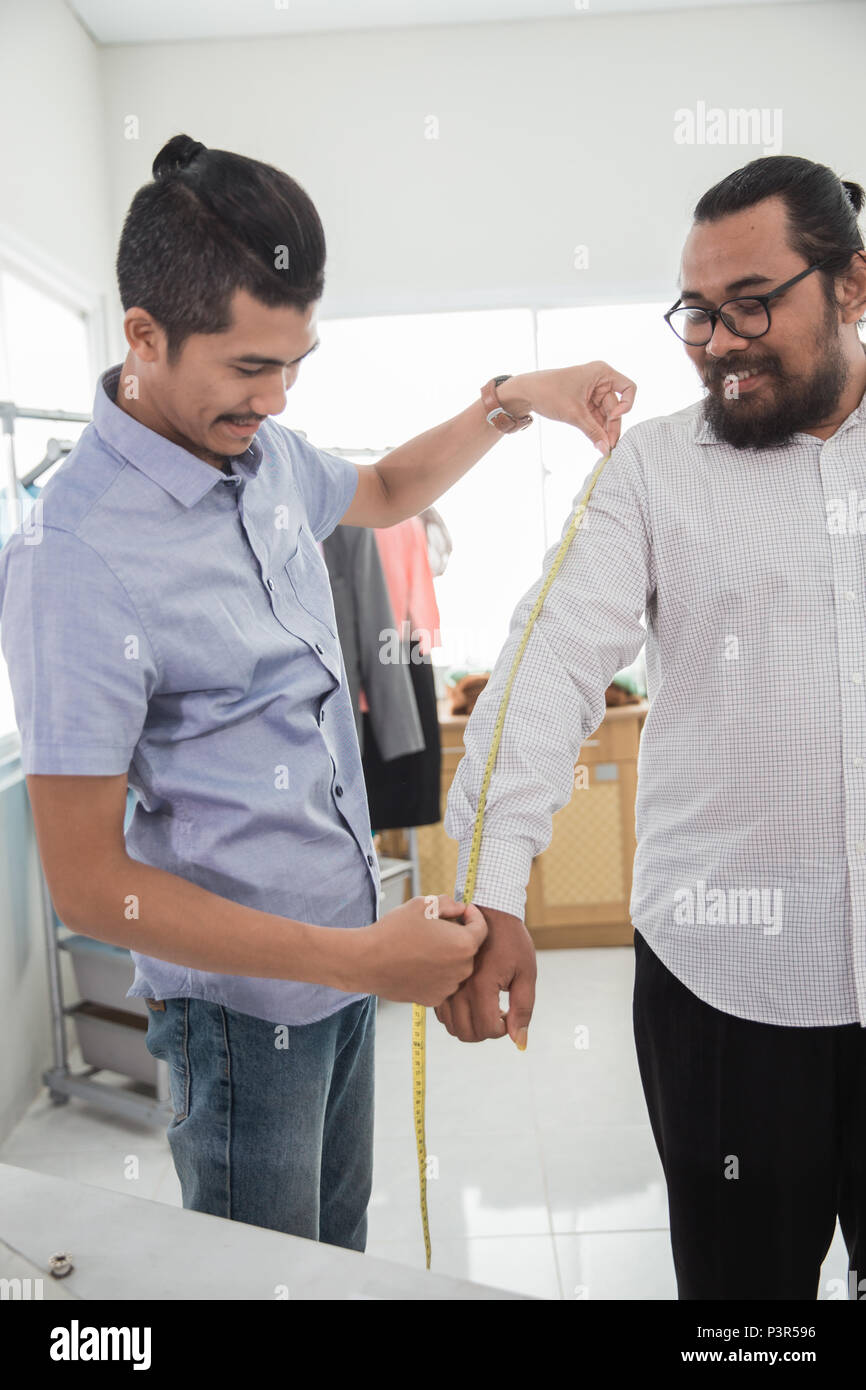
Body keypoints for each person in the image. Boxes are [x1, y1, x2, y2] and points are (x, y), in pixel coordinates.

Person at [0, 133, 634, 1252]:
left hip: (342, 977)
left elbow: (386, 487)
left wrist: (512, 401)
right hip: (242, 1019)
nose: (277, 395)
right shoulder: (74, 557)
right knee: (261, 1278)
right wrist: (357, 958)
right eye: (250, 366)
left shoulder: (264, 457)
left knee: (330, 1258)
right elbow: (92, 887)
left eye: (295, 363)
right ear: (143, 336)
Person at [443, 154, 866, 1301]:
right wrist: (490, 882)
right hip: (722, 989)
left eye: (750, 306)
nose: (717, 342)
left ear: (850, 286)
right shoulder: (649, 472)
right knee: (740, 1313)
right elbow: (546, 665)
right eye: (696, 312)